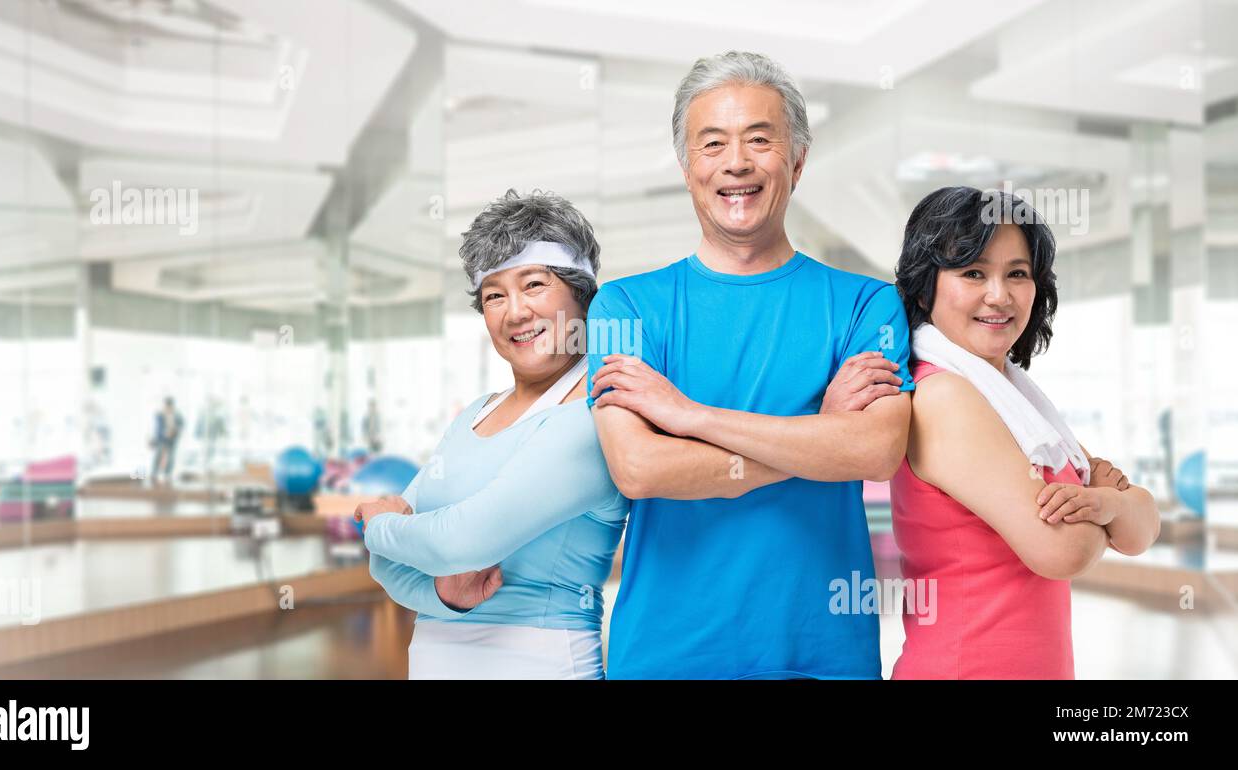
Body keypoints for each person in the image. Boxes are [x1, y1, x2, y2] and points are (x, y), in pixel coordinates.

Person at [585, 51, 912, 679]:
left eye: (760, 140)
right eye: (712, 144)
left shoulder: (866, 303)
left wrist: (687, 416)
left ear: (797, 161)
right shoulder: (624, 306)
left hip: (823, 655)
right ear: (687, 168)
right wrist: (820, 430)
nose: (736, 162)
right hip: (666, 655)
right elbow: (640, 467)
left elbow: (873, 452)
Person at [890, 186, 1160, 679]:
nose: (1000, 295)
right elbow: (1061, 550)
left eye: (1017, 273)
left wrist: (1114, 506)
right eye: (973, 273)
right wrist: (1107, 506)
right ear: (926, 288)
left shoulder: (1015, 399)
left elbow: (1142, 531)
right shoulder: (944, 397)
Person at [357, 189, 627, 679]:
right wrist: (442, 594)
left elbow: (463, 540)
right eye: (494, 296)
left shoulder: (596, 411)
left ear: (581, 294)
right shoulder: (475, 416)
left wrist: (379, 524)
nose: (516, 312)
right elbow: (387, 567)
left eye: (534, 285)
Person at [149, 397, 183, 485]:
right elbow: (158, 429)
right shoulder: (160, 415)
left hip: (172, 439)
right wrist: (165, 433)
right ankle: (154, 473)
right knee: (158, 455)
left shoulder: (177, 415)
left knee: (171, 457)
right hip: (161, 439)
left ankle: (167, 474)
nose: (168, 408)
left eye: (170, 406)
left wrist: (175, 431)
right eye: (167, 406)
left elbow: (181, 425)